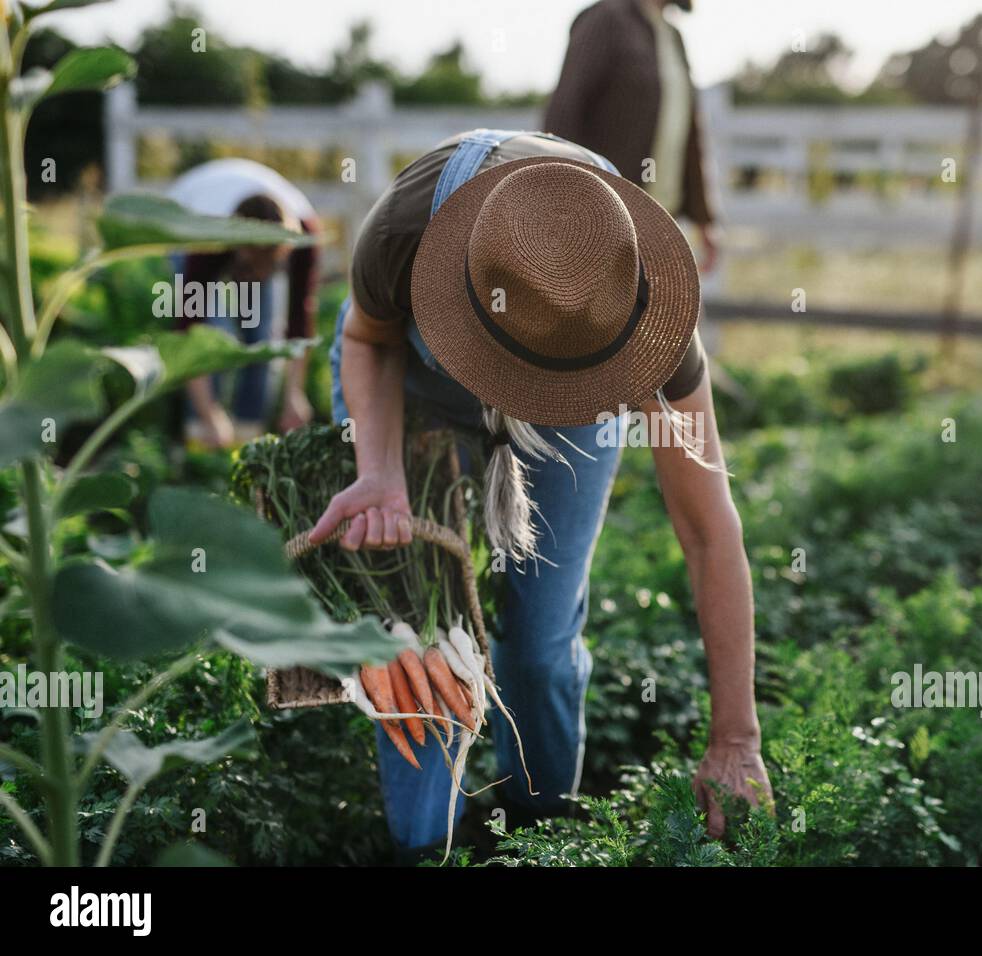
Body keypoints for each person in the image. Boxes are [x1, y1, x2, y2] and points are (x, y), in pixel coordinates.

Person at [308, 128, 770, 862]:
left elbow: (709, 529)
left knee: (542, 643)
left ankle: (541, 833)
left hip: (577, 409)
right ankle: (422, 848)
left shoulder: (646, 314)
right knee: (424, 636)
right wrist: (380, 472)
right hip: (410, 384)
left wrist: (737, 739)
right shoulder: (406, 227)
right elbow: (367, 338)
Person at [544, 0, 719, 276]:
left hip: (663, 221)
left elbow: (688, 130)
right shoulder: (605, 19)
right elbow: (564, 112)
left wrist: (703, 219)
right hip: (604, 222)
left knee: (668, 315)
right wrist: (557, 209)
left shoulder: (672, 35)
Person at [168, 158, 322, 447]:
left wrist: (294, 395)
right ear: (240, 252)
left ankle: (247, 437)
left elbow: (299, 318)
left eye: (270, 267)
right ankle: (201, 437)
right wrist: (209, 414)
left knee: (262, 340)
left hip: (242, 229)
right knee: (214, 335)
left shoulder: (304, 236)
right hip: (191, 220)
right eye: (253, 267)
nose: (261, 276)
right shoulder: (206, 246)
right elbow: (188, 331)